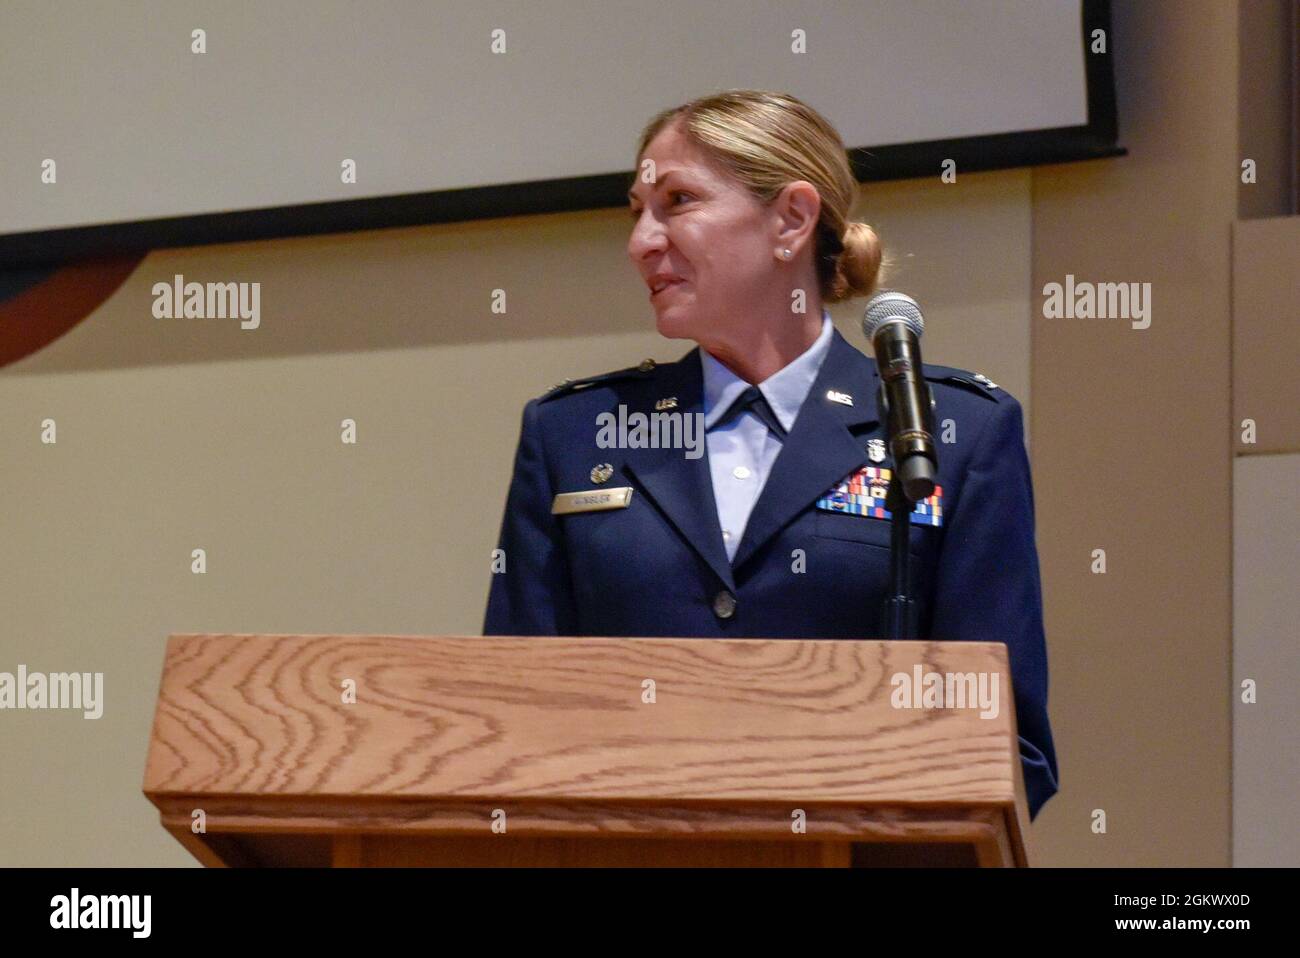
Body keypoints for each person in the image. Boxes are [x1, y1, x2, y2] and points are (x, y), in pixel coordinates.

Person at [483, 90, 1059, 820]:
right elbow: (511, 715)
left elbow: (1009, 748)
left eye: (677, 201)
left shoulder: (952, 433)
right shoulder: (575, 433)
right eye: (636, 211)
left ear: (790, 220)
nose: (641, 241)